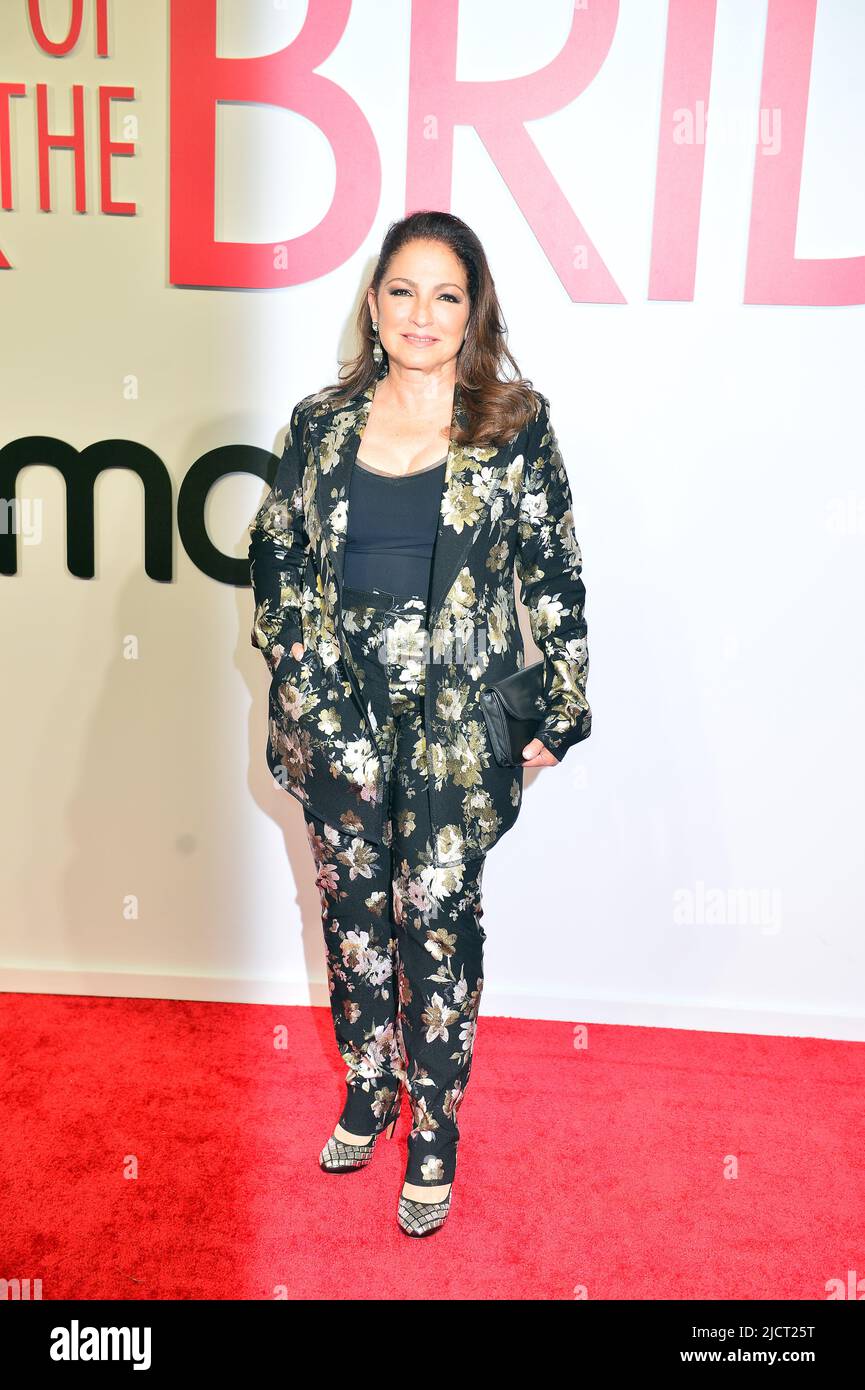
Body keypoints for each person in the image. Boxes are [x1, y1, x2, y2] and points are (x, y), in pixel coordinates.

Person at [248, 210, 591, 1236]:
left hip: (453, 723)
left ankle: (433, 1126)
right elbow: (276, 561)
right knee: (354, 919)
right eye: (403, 290)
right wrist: (309, 684)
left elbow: (555, 569)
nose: (422, 313)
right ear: (373, 301)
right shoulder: (318, 422)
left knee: (435, 919)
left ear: (472, 311)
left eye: (446, 295)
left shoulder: (513, 422)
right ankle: (369, 1085)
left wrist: (560, 701)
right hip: (336, 717)